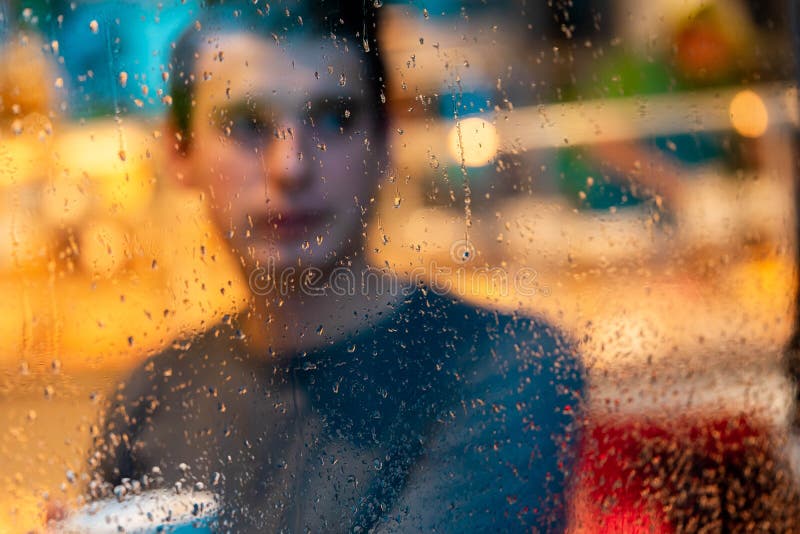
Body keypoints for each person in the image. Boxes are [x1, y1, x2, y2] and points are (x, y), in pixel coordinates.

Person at [86, 2, 585, 532]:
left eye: (333, 118)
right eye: (247, 124)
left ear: (386, 140)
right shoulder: (151, 396)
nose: (291, 165)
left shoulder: (505, 366)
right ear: (179, 152)